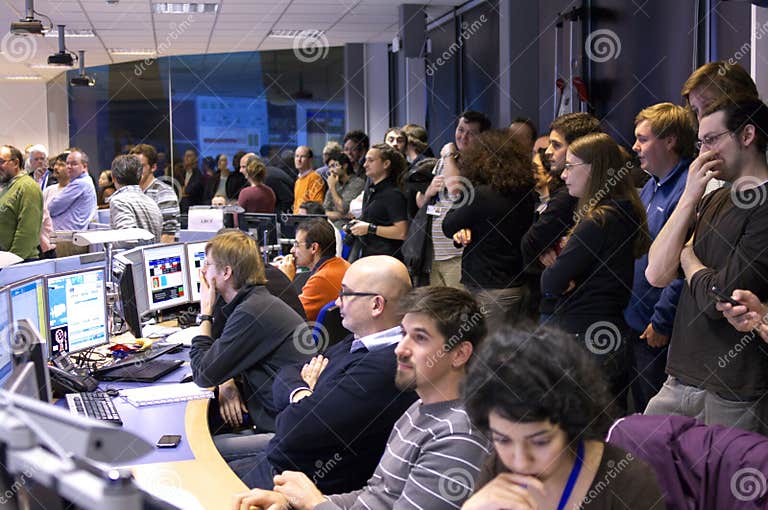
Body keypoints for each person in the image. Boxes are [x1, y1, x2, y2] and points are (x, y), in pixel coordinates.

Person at [233, 286, 491, 510]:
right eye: (403, 335)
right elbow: (375, 497)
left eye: (419, 338)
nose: (400, 349)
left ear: (459, 354)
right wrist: (293, 502)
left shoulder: (458, 436)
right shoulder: (417, 410)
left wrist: (314, 503)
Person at [228, 256, 417, 494]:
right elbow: (288, 373)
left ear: (376, 305)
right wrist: (303, 394)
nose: (337, 302)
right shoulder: (358, 341)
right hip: (282, 461)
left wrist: (303, 397)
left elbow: (292, 429)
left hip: (294, 483)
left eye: (346, 294)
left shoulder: (385, 366)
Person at [644, 96, 768, 433]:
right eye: (700, 143)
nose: (704, 153)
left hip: (733, 388)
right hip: (679, 374)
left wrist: (687, 258)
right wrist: (688, 196)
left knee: (726, 484)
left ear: (747, 136)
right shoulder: (713, 197)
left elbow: (724, 298)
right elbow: (655, 273)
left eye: (712, 140)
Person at [461, 326, 666, 510]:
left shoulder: (629, 483)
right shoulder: (498, 466)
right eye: (502, 440)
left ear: (571, 425)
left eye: (540, 442)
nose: (521, 462)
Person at [541, 133, 650, 408]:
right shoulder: (625, 212)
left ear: (593, 169)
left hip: (585, 338)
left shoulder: (597, 220)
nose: (564, 176)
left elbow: (551, 282)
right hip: (610, 333)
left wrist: (560, 271)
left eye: (570, 167)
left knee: (583, 429)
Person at [190, 230, 313, 433]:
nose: (203, 271)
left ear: (226, 272)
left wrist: (205, 312)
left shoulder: (252, 312)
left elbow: (203, 375)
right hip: (280, 418)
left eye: (207, 264)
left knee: (200, 447)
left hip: (281, 431)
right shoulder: (255, 302)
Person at [623, 103, 696, 412]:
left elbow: (683, 263)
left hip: (658, 328)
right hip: (635, 319)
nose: (635, 147)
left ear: (670, 141)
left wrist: (662, 320)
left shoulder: (687, 189)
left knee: (656, 420)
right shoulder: (649, 187)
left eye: (643, 139)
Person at [443, 129, 536, 329]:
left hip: (487, 287)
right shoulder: (525, 194)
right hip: (518, 283)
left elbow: (448, 225)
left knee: (487, 353)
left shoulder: (481, 195)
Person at [521, 112, 602, 321]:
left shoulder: (570, 196)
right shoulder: (568, 190)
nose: (548, 152)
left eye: (556, 145)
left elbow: (530, 242)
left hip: (575, 309)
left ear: (579, 148)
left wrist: (558, 264)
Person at [277, 219, 349, 321]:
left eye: (297, 245)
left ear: (314, 248)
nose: (292, 250)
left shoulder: (320, 279)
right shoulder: (344, 264)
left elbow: (286, 317)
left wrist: (285, 280)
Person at [346, 144, 409, 259]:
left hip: (387, 259)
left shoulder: (393, 194)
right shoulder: (372, 191)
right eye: (365, 160)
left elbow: (402, 232)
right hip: (370, 255)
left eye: (371, 160)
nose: (365, 165)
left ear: (386, 164)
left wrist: (370, 229)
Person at [130, 143, 180, 243]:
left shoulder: (164, 192)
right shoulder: (132, 192)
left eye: (141, 166)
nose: (136, 171)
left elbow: (169, 235)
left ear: (153, 167)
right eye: (133, 166)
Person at [108, 155, 163, 246]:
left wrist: (108, 242)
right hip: (151, 258)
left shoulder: (119, 200)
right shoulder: (151, 202)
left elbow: (127, 240)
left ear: (113, 178)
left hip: (130, 259)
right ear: (140, 177)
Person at [0, 144, 42, 260]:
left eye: (1, 162)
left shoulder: (28, 187)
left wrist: (12, 262)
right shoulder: (8, 187)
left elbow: (28, 231)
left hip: (20, 262)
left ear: (16, 163)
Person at [48, 149, 97, 233]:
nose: (69, 167)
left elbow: (53, 207)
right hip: (66, 236)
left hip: (68, 237)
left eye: (74, 164)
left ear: (84, 167)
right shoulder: (80, 182)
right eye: (67, 163)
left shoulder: (80, 184)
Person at [322, 152, 364, 229]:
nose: (331, 170)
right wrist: (342, 216)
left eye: (334, 166)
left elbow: (343, 208)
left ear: (345, 166)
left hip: (348, 228)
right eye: (329, 167)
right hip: (331, 226)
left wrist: (332, 187)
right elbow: (324, 211)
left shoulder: (357, 183)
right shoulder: (334, 182)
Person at [293, 146, 325, 213]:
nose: (299, 159)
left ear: (310, 159)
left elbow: (317, 207)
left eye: (302, 156)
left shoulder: (315, 178)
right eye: (297, 156)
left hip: (307, 221)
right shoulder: (298, 181)